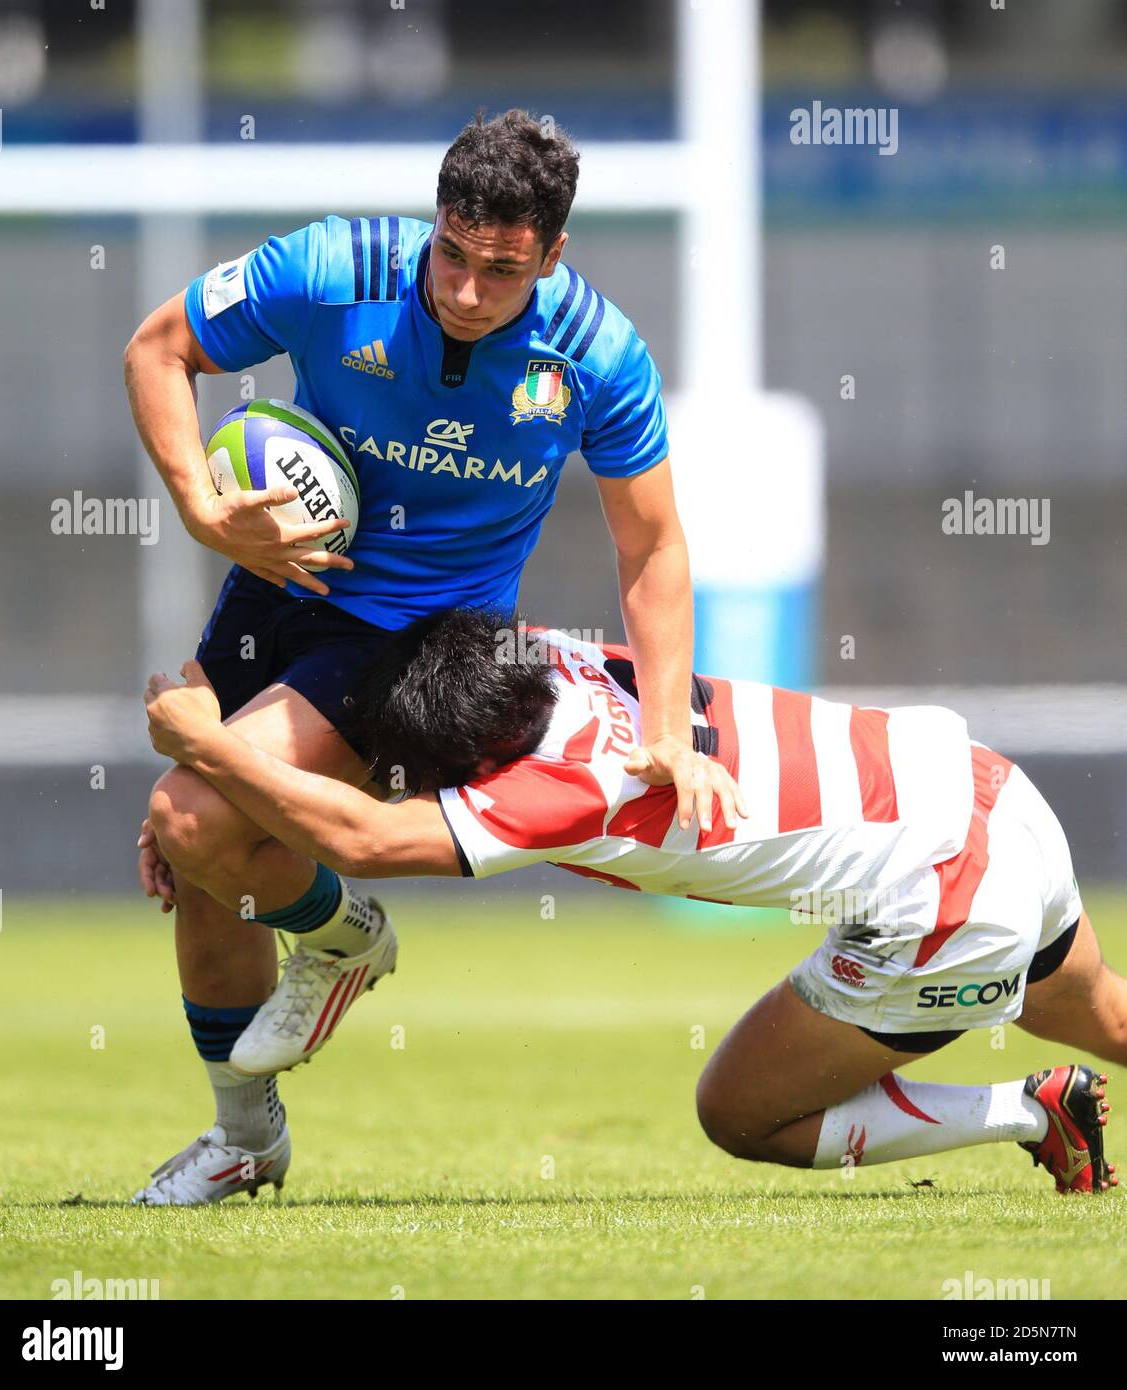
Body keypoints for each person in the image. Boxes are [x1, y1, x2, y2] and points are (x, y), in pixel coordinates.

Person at [123, 109, 743, 1201]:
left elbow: (652, 546)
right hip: (279, 587)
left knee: (191, 815)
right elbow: (157, 348)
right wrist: (205, 510)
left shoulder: (595, 354)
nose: (464, 291)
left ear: (552, 256)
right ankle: (244, 1132)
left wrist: (667, 732)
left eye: (500, 272)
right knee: (201, 859)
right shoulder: (331, 269)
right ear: (433, 221)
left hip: (421, 638)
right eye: (451, 255)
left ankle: (345, 936)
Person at [138, 610, 1121, 1204]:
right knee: (1106, 1016)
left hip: (946, 891)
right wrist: (205, 817)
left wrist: (208, 750)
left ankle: (1028, 1114)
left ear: (458, 773)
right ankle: (1046, 1103)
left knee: (741, 1113)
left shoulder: (543, 793)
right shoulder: (550, 658)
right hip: (974, 780)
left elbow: (361, 838)